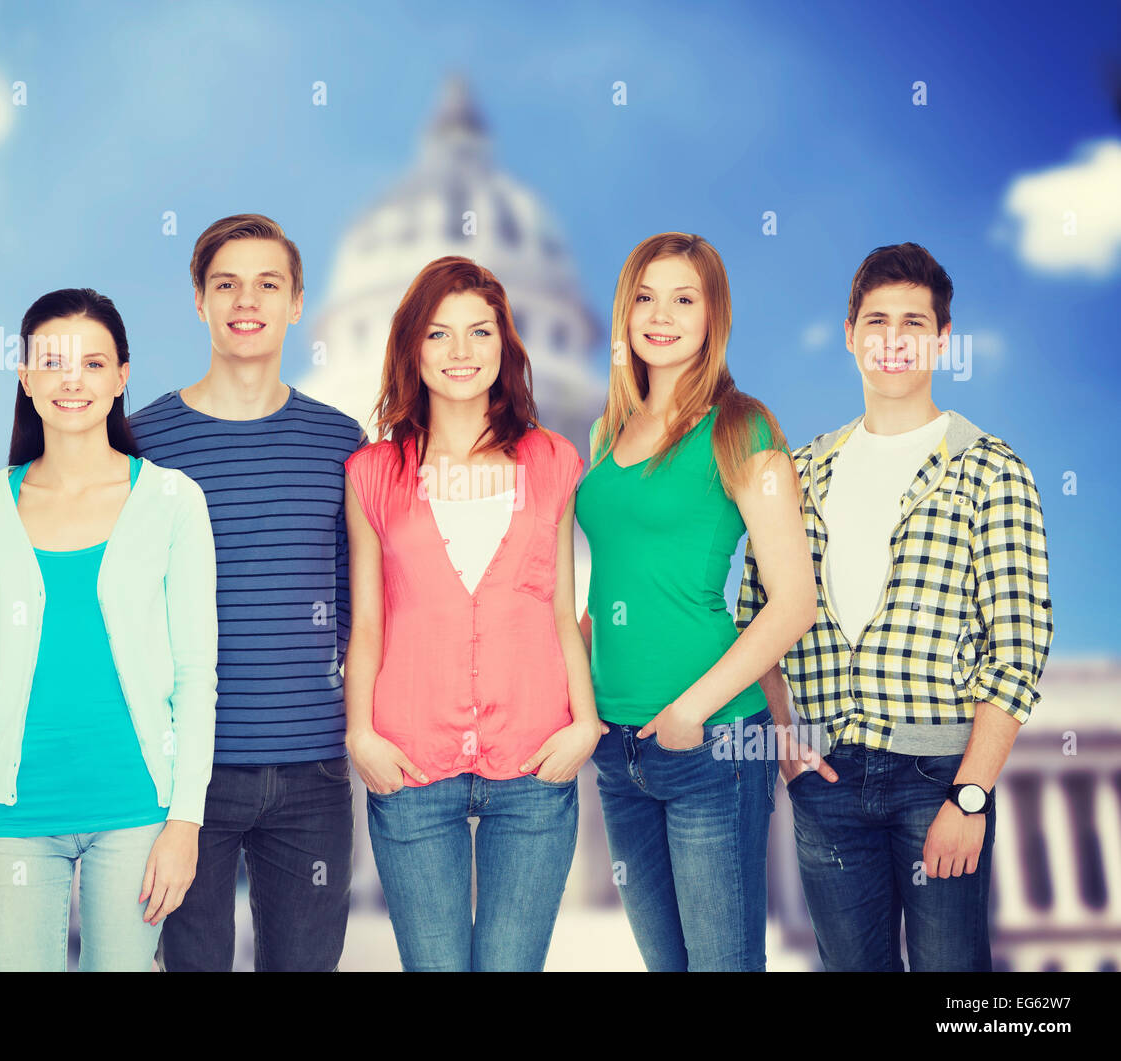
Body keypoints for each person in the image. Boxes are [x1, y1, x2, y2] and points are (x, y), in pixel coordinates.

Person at [737, 242, 1054, 971]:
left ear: (943, 340)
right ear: (850, 334)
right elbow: (757, 618)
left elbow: (1019, 642)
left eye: (914, 322)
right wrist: (786, 741)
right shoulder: (802, 470)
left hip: (937, 779)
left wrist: (970, 796)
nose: (893, 339)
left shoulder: (989, 468)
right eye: (876, 320)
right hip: (828, 781)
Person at [0, 288, 218, 971]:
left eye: (94, 363)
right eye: (53, 362)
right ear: (25, 375)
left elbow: (195, 672)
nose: (73, 379)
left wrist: (185, 821)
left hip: (135, 810)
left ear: (122, 376)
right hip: (11, 814)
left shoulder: (173, 501)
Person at [343, 255, 599, 972]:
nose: (460, 353)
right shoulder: (372, 472)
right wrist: (360, 733)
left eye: (479, 332)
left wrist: (585, 723)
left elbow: (559, 604)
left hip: (534, 761)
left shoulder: (553, 459)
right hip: (410, 761)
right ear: (411, 350)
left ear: (505, 344)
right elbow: (369, 621)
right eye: (438, 334)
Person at [128, 214, 366, 972]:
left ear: (298, 302)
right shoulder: (142, 442)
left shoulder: (340, 440)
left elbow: (355, 603)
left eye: (268, 283)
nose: (246, 300)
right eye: (226, 283)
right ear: (199, 300)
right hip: (182, 780)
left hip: (314, 776)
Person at [575, 232, 816, 971]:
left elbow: (794, 601)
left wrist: (689, 712)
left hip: (712, 743)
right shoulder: (604, 432)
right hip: (619, 750)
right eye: (645, 297)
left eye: (685, 298)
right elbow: (606, 592)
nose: (661, 315)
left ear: (714, 317)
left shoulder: (743, 426)